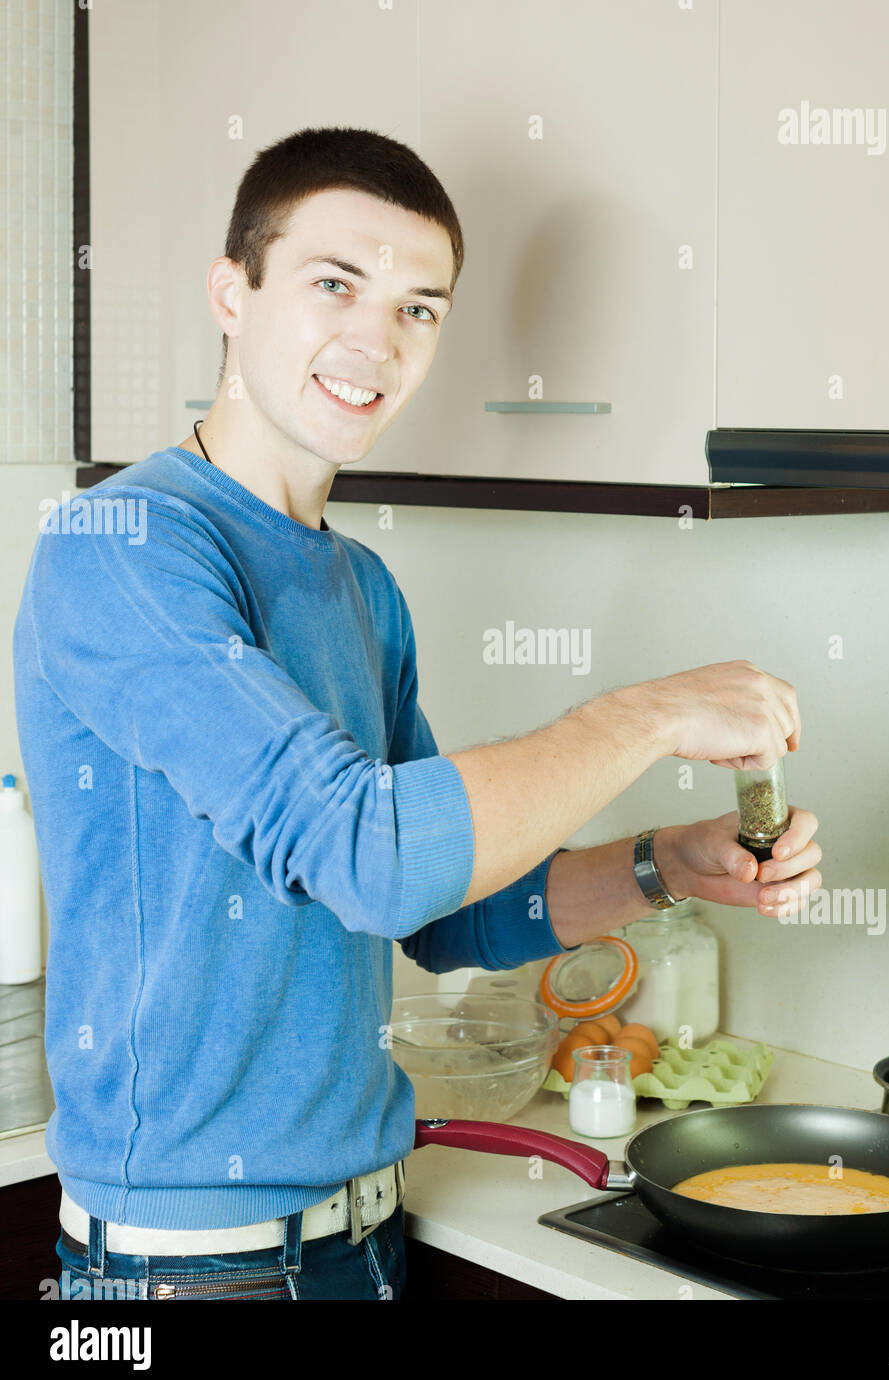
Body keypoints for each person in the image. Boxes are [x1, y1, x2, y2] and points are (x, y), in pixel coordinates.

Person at [12, 126, 821, 1302]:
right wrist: (648, 714)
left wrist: (672, 864)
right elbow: (368, 852)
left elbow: (449, 912)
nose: (375, 341)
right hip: (187, 1279)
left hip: (368, 1239)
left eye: (418, 310)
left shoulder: (361, 591)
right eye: (335, 284)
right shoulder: (121, 548)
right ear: (230, 293)